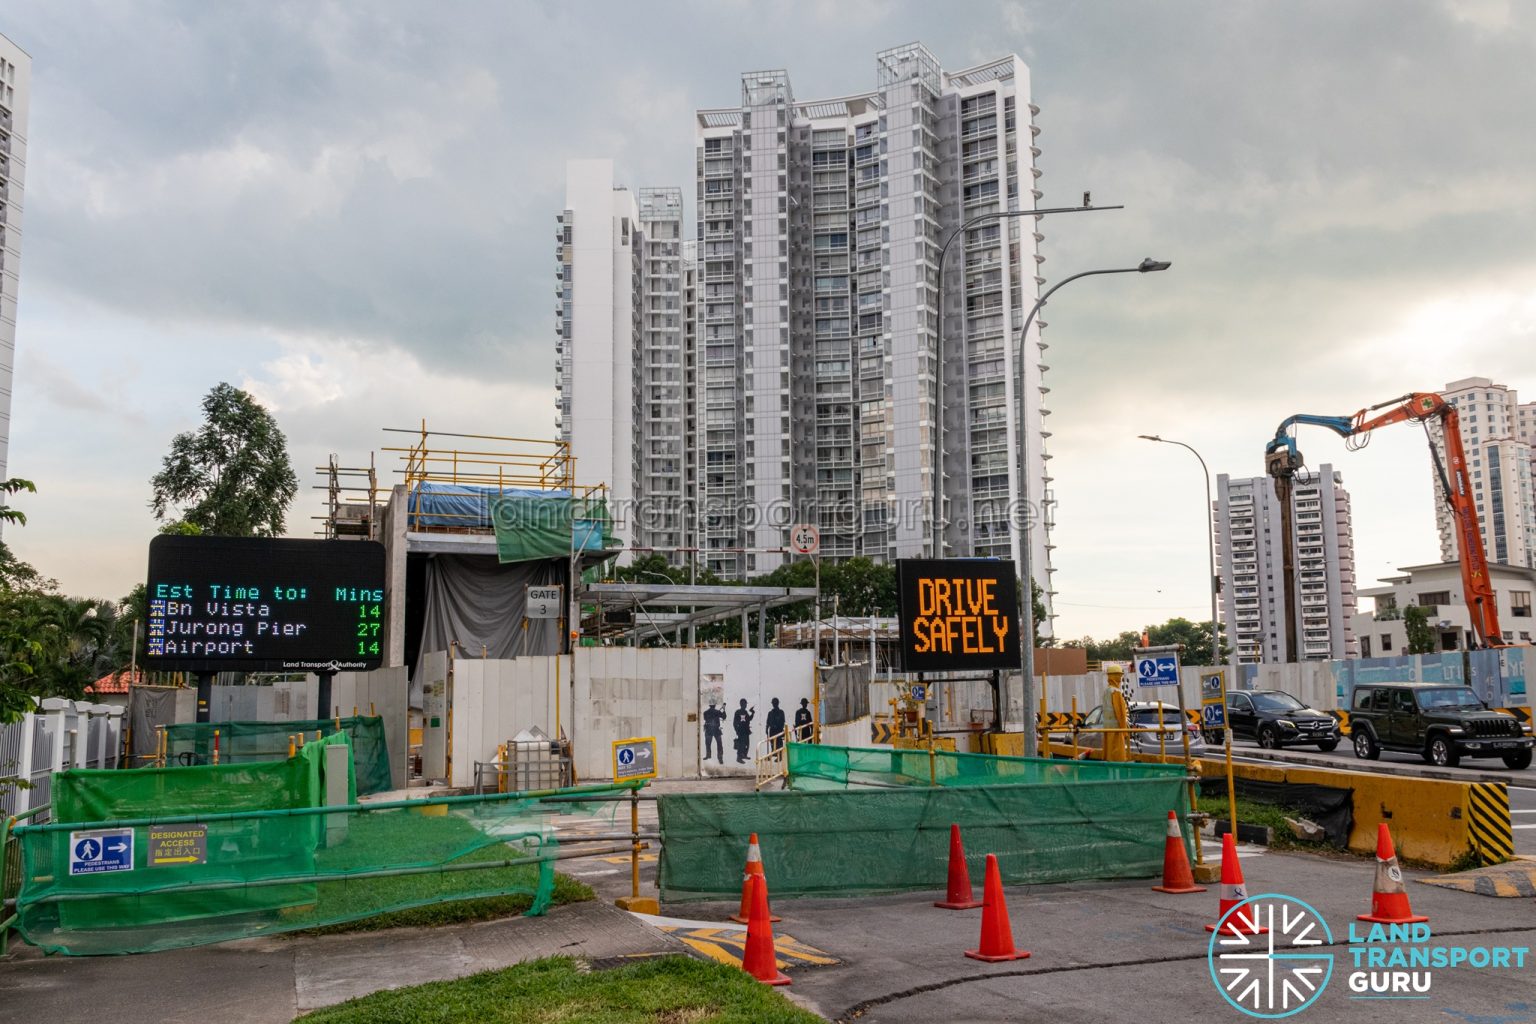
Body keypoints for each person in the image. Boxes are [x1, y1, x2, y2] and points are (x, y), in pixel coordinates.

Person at [732, 699, 755, 764]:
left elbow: (749, 719)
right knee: (741, 745)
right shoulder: (737, 712)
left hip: (746, 730)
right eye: (744, 704)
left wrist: (752, 713)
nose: (745, 705)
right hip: (741, 731)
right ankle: (739, 758)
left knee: (747, 743)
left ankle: (744, 755)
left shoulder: (745, 712)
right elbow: (734, 723)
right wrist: (737, 730)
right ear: (741, 704)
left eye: (745, 704)